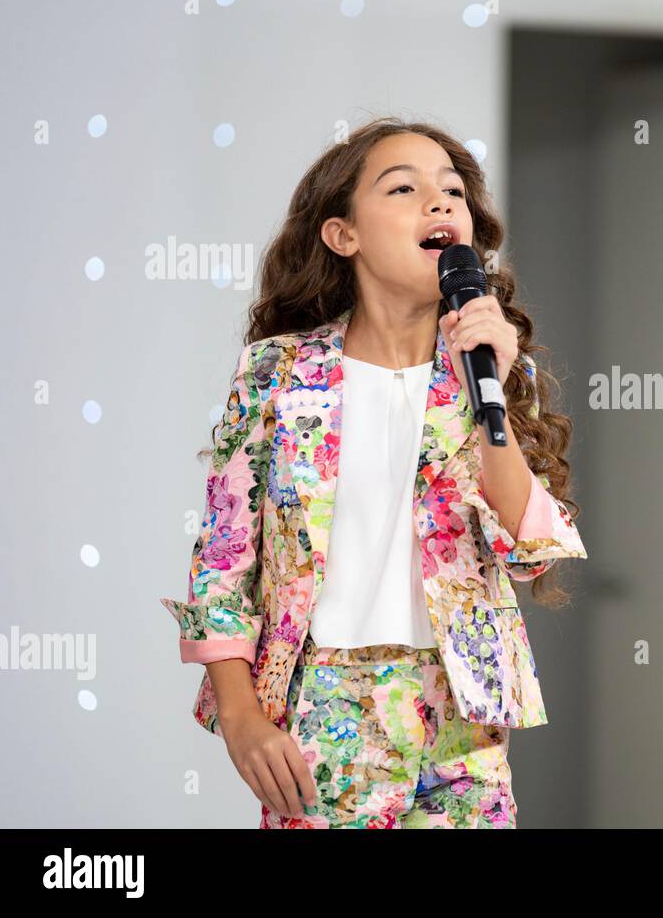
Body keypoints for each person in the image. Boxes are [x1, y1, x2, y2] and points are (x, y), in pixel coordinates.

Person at [159, 117, 588, 828]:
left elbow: (528, 547)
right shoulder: (277, 374)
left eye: (453, 191)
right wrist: (240, 719)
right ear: (343, 235)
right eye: (405, 188)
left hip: (464, 723)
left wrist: (494, 394)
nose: (441, 203)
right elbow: (222, 566)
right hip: (326, 708)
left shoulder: (493, 370)